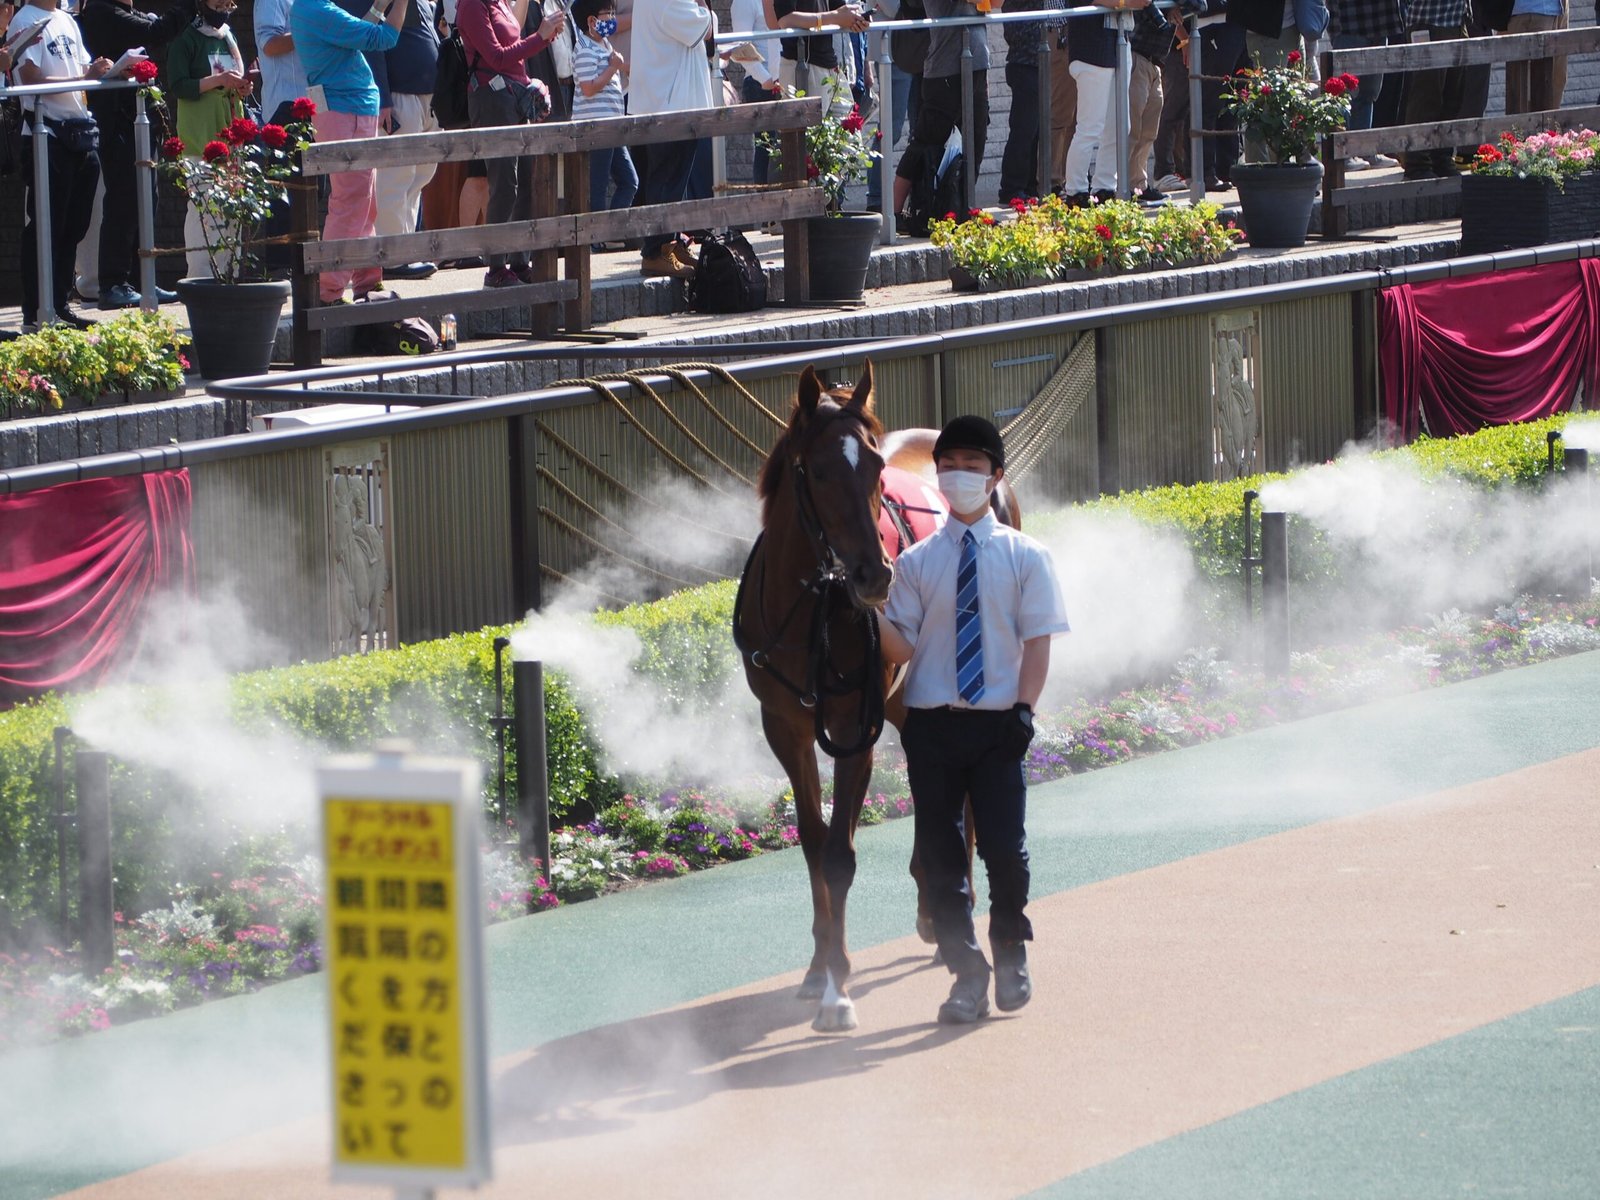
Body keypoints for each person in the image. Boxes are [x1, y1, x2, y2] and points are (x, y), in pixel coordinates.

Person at [878, 415, 1070, 1025]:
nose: (960, 475)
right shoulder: (914, 564)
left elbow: (1038, 643)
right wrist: (860, 611)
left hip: (997, 729)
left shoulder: (1027, 556)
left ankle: (1011, 950)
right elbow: (900, 648)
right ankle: (967, 975)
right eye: (950, 464)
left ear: (996, 476)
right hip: (930, 726)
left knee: (1006, 855)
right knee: (940, 858)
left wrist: (1024, 711)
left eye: (973, 465)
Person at [79, 0, 193, 309]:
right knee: (123, 199)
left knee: (147, 198)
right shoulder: (102, 11)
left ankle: (142, 277)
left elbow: (154, 24)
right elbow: (156, 30)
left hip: (139, 119)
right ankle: (113, 283)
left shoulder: (124, 12)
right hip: (116, 118)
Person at [292, 0, 409, 302]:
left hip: (347, 111)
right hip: (347, 112)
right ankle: (329, 291)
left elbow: (361, 29)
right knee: (350, 202)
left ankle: (367, 282)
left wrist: (382, 5)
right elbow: (383, 38)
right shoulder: (320, 10)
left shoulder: (313, 8)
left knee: (363, 203)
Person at [11, 0, 115, 329]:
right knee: (46, 225)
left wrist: (97, 71)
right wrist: (76, 79)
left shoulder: (66, 20)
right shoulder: (25, 20)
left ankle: (60, 303)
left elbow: (81, 69)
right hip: (47, 133)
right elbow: (28, 76)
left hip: (79, 132)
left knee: (74, 225)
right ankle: (37, 309)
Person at [456, 0, 565, 287]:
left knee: (527, 179)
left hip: (513, 98)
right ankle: (495, 268)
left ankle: (519, 262)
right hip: (491, 100)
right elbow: (497, 58)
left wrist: (544, 37)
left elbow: (514, 55)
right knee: (505, 183)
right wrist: (539, 37)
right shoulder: (471, 5)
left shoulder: (500, 2)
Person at [628, 0, 716, 279]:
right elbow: (706, 27)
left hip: (669, 100)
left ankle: (671, 242)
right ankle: (656, 251)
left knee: (671, 179)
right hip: (669, 103)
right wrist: (708, 11)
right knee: (666, 179)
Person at [166, 0, 251, 279]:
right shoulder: (186, 39)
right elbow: (178, 86)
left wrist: (243, 86)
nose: (224, 6)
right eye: (217, 1)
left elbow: (234, 81)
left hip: (230, 132)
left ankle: (231, 273)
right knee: (203, 207)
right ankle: (201, 277)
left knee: (233, 208)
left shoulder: (228, 35)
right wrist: (218, 81)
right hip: (200, 136)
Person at [891, 0, 995, 226]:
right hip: (945, 68)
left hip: (977, 61)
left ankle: (963, 208)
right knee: (925, 141)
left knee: (976, 139)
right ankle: (893, 213)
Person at [369, 0, 441, 278]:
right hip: (400, 97)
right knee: (395, 178)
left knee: (420, 176)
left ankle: (405, 251)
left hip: (430, 98)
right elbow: (373, 42)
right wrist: (383, 99)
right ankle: (391, 259)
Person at [1059, 0, 1149, 206]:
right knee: (1090, 127)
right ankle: (1076, 191)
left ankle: (1105, 187)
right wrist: (1124, 2)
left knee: (1120, 125)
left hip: (1119, 40)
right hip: (1091, 46)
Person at [571, 0, 638, 236]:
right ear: (591, 21)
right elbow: (589, 88)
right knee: (596, 186)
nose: (611, 17)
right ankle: (596, 238)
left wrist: (621, 66)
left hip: (612, 126)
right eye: (607, 13)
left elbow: (615, 66)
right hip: (596, 127)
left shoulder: (604, 45)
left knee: (630, 181)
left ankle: (612, 233)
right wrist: (613, 68)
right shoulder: (584, 50)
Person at [1327, 0, 1401, 169]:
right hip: (1348, 21)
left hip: (1381, 21)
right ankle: (1344, 155)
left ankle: (1366, 150)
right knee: (1343, 93)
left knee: (1369, 92)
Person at [1504, 0, 1567, 116]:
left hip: (1543, 10)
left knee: (1521, 84)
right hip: (1539, 11)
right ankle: (1540, 130)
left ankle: (1524, 129)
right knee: (1543, 85)